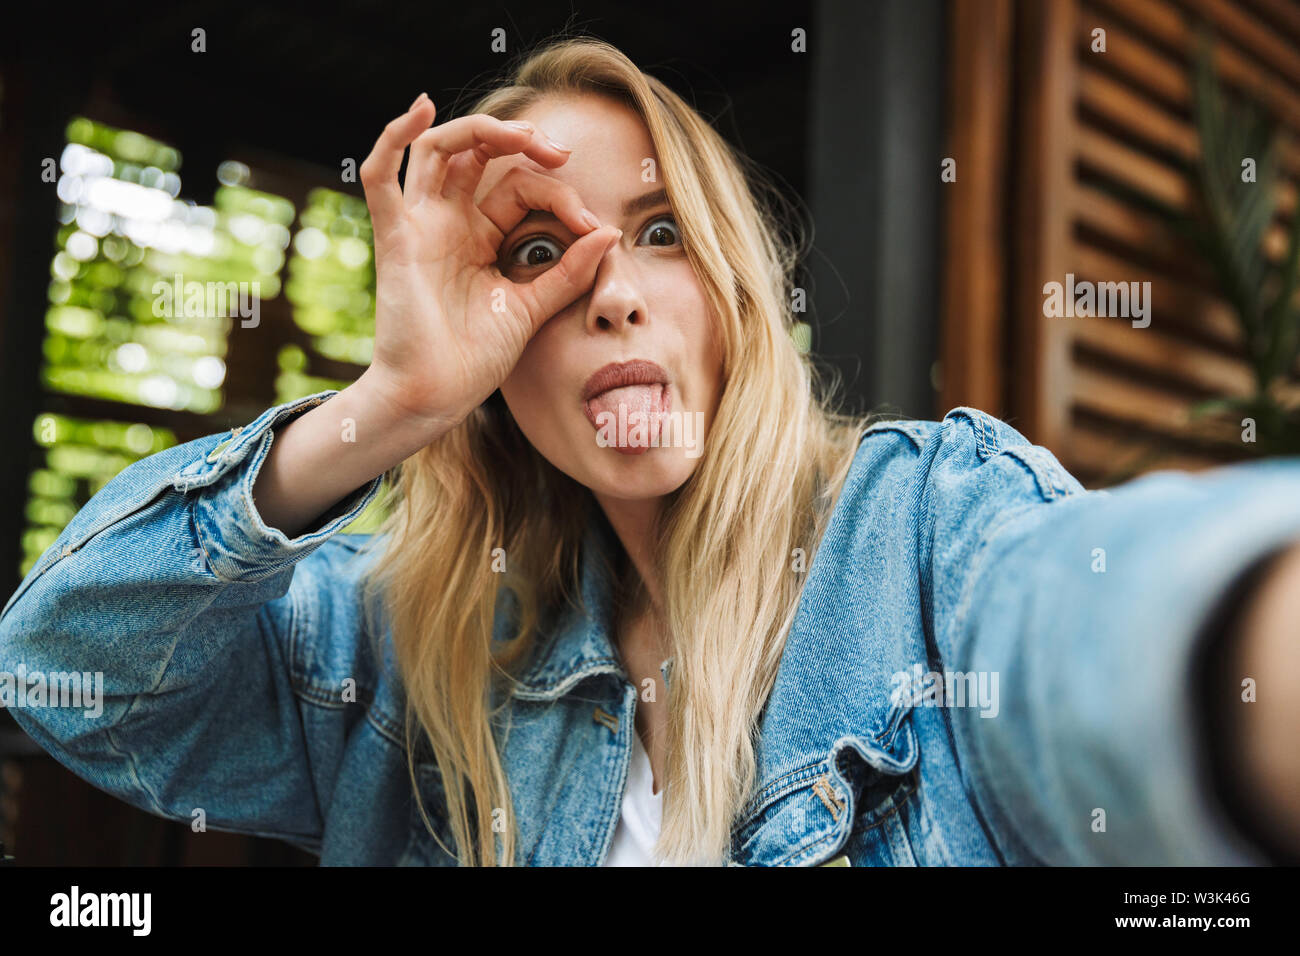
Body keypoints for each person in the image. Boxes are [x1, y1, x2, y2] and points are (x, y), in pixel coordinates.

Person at [2, 36, 1299, 867]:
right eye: (534, 255)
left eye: (662, 231)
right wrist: (393, 403)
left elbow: (1094, 620)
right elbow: (60, 667)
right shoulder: (406, 647)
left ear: (734, 288)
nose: (612, 292)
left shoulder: (922, 530)